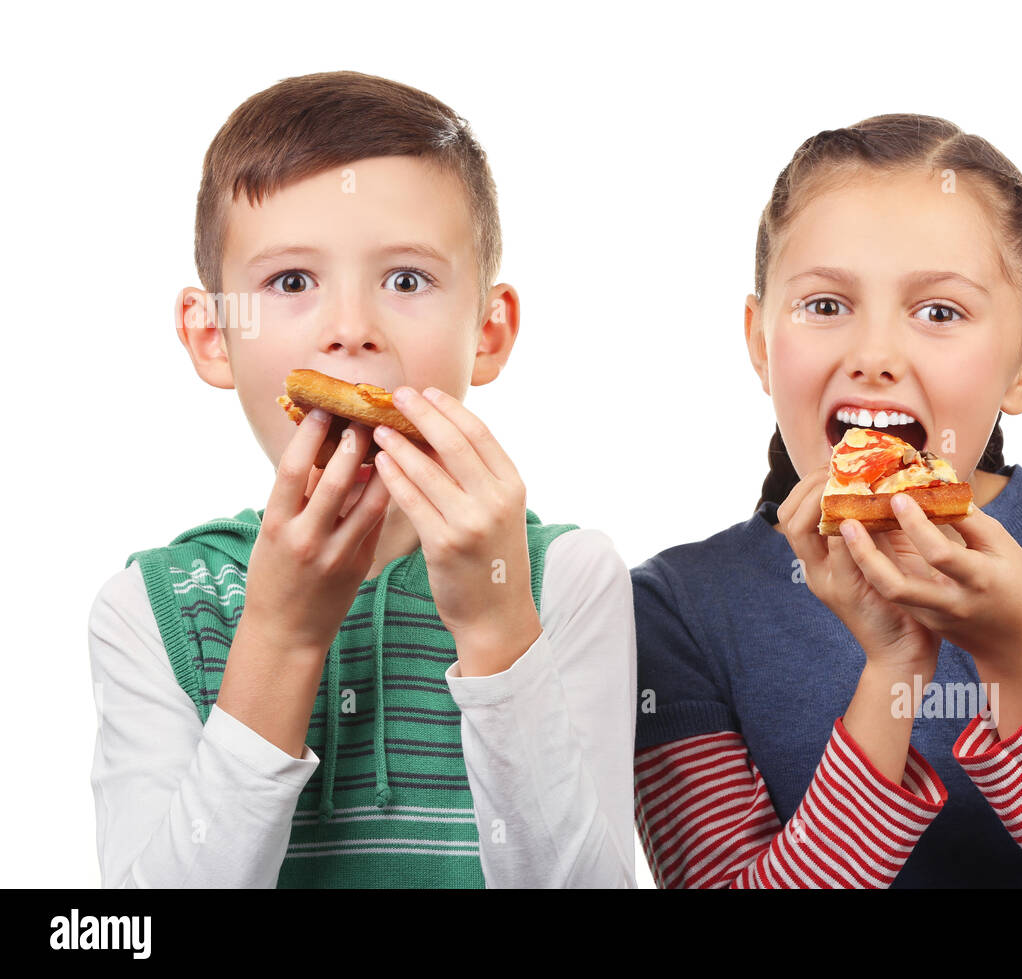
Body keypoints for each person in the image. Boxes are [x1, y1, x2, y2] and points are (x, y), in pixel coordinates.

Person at [631, 113, 1022, 888]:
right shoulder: (675, 606)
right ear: (759, 343)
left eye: (939, 312)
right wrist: (891, 671)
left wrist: (1021, 655)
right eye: (825, 304)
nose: (874, 355)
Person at [88, 70, 636, 888]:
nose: (352, 331)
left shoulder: (567, 579)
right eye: (292, 282)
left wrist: (495, 630)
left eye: (407, 281)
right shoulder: (156, 609)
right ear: (212, 337)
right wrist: (280, 635)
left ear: (489, 331)